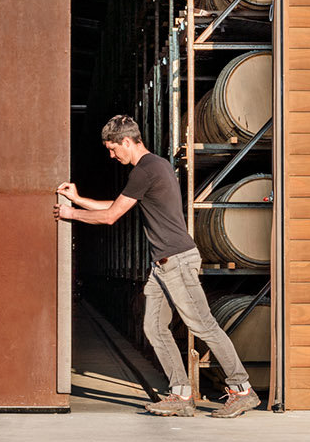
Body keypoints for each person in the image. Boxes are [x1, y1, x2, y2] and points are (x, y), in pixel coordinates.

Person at [56, 114, 261, 419]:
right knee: (153, 327)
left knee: (203, 325)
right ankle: (181, 394)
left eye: (113, 149)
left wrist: (70, 214)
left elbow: (110, 217)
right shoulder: (156, 166)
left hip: (176, 260)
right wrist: (77, 200)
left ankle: (242, 389)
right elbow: (115, 206)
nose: (112, 156)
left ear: (127, 141)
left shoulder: (144, 171)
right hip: (163, 265)